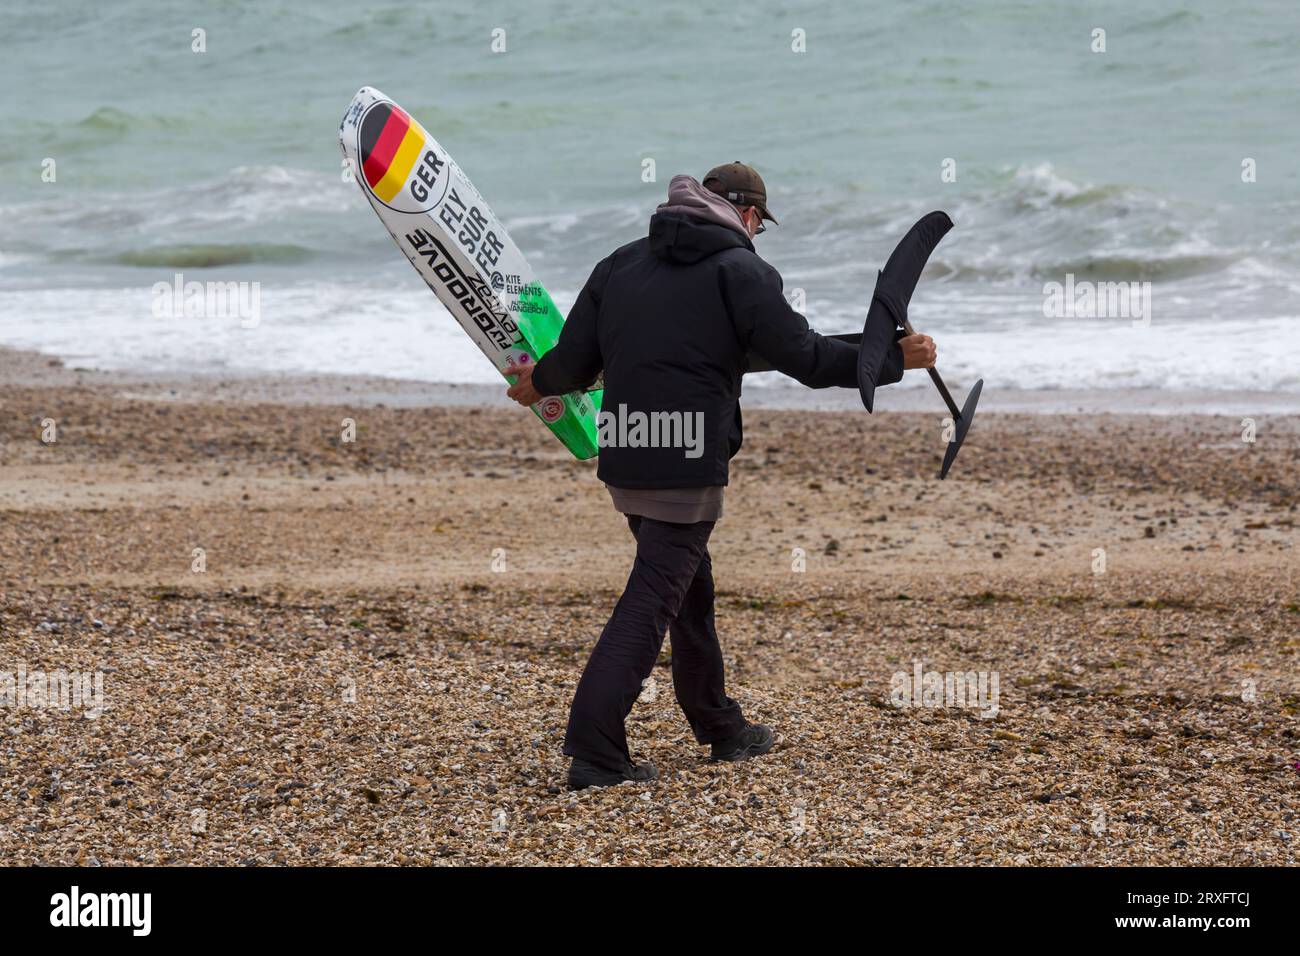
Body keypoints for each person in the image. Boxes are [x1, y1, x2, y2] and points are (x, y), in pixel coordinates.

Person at [505, 162, 937, 790]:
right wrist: (893, 362)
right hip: (685, 461)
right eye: (761, 225)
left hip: (626, 450)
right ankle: (595, 750)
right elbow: (807, 360)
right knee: (653, 598)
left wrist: (539, 381)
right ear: (750, 216)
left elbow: (574, 360)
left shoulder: (620, 263)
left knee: (688, 590)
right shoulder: (744, 272)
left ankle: (720, 725)